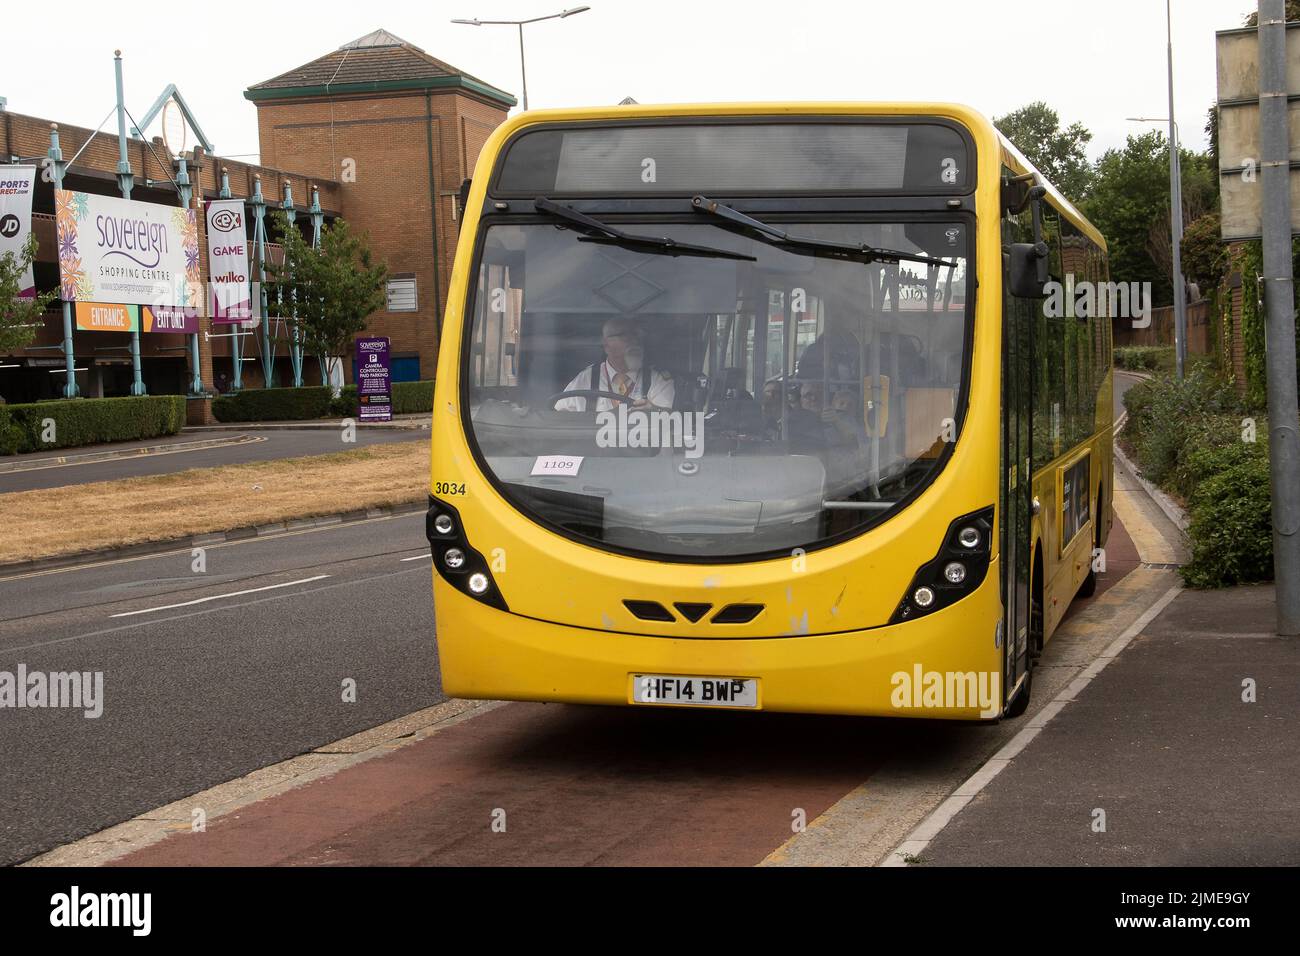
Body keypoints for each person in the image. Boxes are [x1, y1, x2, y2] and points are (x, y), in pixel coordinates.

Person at [555, 317, 675, 412]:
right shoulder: (587, 379)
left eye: (637, 336)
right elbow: (558, 417)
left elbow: (668, 424)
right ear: (606, 344)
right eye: (625, 337)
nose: (634, 342)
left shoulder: (657, 380)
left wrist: (654, 412)